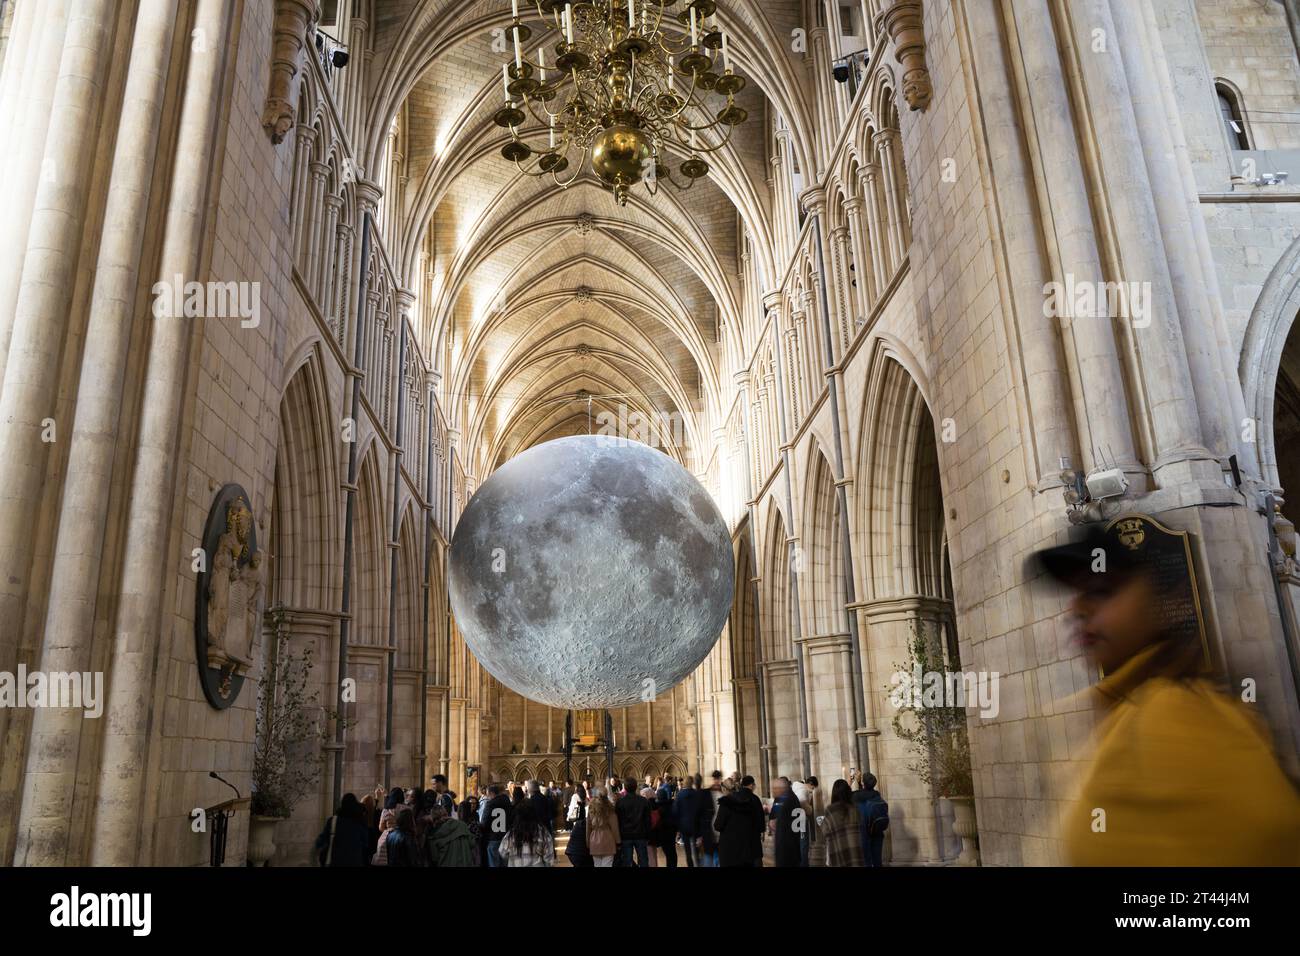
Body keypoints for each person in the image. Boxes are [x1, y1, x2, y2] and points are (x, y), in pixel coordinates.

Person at [1033, 524, 1300, 865]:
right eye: (1075, 595)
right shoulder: (1132, 706)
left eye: (1101, 589)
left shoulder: (1177, 715)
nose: (1078, 609)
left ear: (1161, 603)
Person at [714, 775, 765, 866]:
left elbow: (718, 825)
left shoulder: (726, 802)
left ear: (725, 789)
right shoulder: (753, 799)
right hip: (748, 846)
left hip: (729, 847)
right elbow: (760, 822)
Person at [315, 793, 370, 867]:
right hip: (354, 862)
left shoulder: (333, 821)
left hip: (335, 862)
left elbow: (321, 841)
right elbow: (365, 843)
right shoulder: (359, 821)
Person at [498, 799, 554, 867]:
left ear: (517, 816)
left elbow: (502, 853)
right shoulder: (543, 833)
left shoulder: (511, 834)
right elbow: (549, 859)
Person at [822, 779, 864, 867]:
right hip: (855, 851)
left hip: (838, 851)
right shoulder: (855, 809)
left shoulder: (830, 810)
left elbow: (825, 832)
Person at [851, 771, 889, 867]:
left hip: (865, 831)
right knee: (877, 860)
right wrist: (861, 783)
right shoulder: (877, 795)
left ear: (863, 783)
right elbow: (866, 792)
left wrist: (854, 780)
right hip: (877, 831)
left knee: (866, 861)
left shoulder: (857, 796)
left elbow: (847, 795)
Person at [615, 776, 652, 867]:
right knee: (643, 860)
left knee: (627, 861)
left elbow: (618, 821)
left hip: (625, 835)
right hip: (641, 834)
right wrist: (648, 835)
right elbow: (648, 820)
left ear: (625, 788)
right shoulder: (644, 801)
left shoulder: (620, 802)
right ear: (636, 787)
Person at [672, 774, 707, 867]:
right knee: (696, 850)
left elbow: (675, 812)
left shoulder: (679, 795)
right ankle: (698, 864)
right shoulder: (696, 794)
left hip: (684, 826)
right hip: (695, 825)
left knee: (687, 851)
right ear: (692, 783)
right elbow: (701, 811)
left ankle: (690, 865)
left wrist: (677, 828)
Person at [769, 776, 803, 868]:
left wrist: (775, 821)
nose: (773, 791)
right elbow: (773, 814)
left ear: (782, 788)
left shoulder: (790, 799)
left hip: (788, 844)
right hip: (783, 842)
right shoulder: (780, 798)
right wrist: (772, 820)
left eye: (775, 789)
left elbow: (795, 823)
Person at [585, 788, 620, 866]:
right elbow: (614, 828)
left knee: (597, 865)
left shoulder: (591, 809)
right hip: (608, 839)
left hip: (594, 840)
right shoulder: (610, 809)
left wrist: (587, 843)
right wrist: (618, 842)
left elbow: (588, 828)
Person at [482, 783, 513, 868]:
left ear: (492, 793)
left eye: (488, 795)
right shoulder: (508, 803)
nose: (488, 797)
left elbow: (484, 822)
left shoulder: (490, 804)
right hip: (506, 837)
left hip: (493, 838)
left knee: (494, 864)